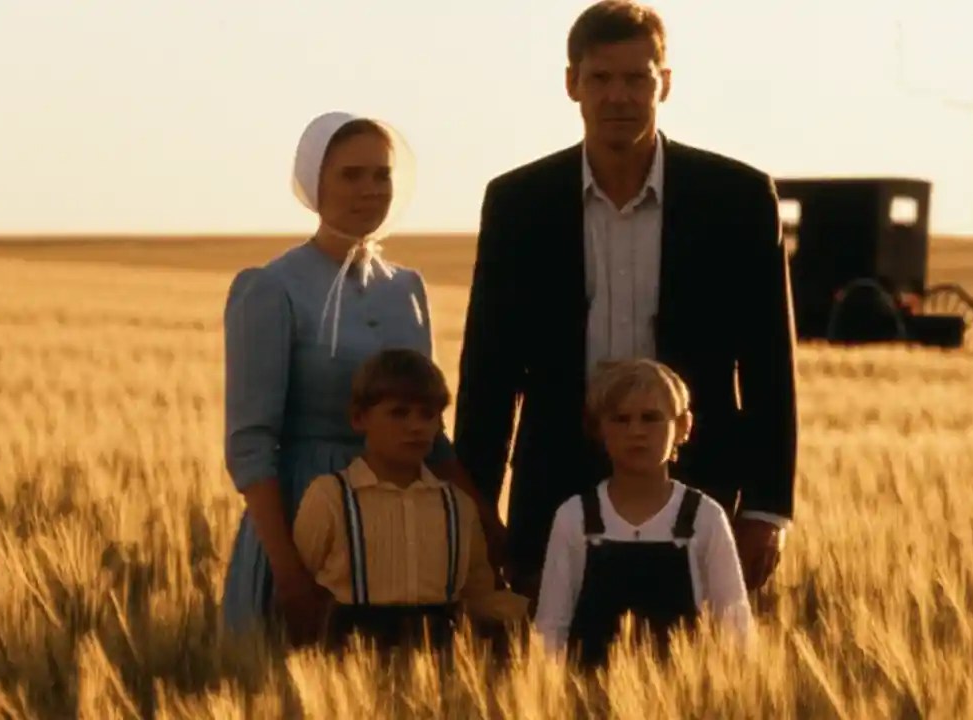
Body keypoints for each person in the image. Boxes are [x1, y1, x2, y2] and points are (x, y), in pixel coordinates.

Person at [454, 0, 799, 602]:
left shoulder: (738, 199)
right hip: (555, 487)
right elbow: (489, 369)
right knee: (553, 672)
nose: (619, 96)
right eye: (600, 78)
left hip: (698, 485)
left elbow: (770, 365)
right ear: (572, 84)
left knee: (698, 672)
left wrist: (768, 509)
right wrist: (477, 511)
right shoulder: (518, 202)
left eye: (637, 78)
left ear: (664, 83)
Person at [221, 111, 505, 642]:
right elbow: (250, 444)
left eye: (382, 175)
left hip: (404, 517)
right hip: (305, 516)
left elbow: (431, 428)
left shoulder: (407, 287)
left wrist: (484, 525)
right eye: (351, 175)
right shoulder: (269, 288)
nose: (370, 189)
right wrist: (287, 571)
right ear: (315, 183)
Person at [291, 349, 529, 654]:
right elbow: (299, 592)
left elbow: (478, 594)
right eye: (399, 413)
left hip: (440, 661)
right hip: (355, 657)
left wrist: (536, 610)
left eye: (427, 415)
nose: (416, 426)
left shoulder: (457, 506)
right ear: (359, 418)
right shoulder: (330, 497)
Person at [533, 359, 754, 668]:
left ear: (682, 427)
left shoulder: (704, 517)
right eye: (621, 419)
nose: (636, 431)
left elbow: (734, 625)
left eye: (651, 418)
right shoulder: (575, 518)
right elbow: (551, 627)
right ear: (599, 429)